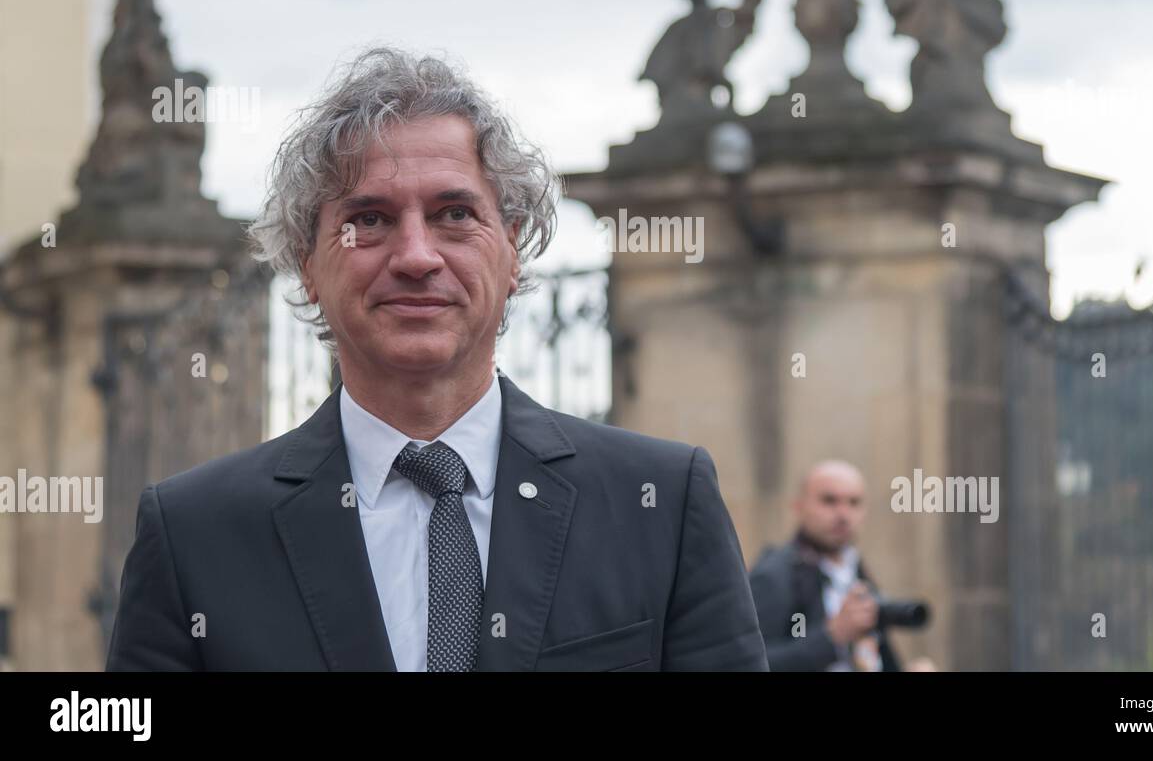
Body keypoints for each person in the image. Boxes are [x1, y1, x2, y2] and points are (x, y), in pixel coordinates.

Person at [106, 47, 768, 672]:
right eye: (369, 219)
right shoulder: (194, 535)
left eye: (454, 212)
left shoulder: (661, 503)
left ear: (511, 250)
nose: (417, 255)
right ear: (308, 263)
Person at [748, 460, 905, 672]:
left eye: (854, 502)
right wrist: (832, 637)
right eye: (829, 501)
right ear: (799, 507)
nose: (843, 514)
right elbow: (750, 661)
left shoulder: (856, 569)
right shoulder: (774, 574)